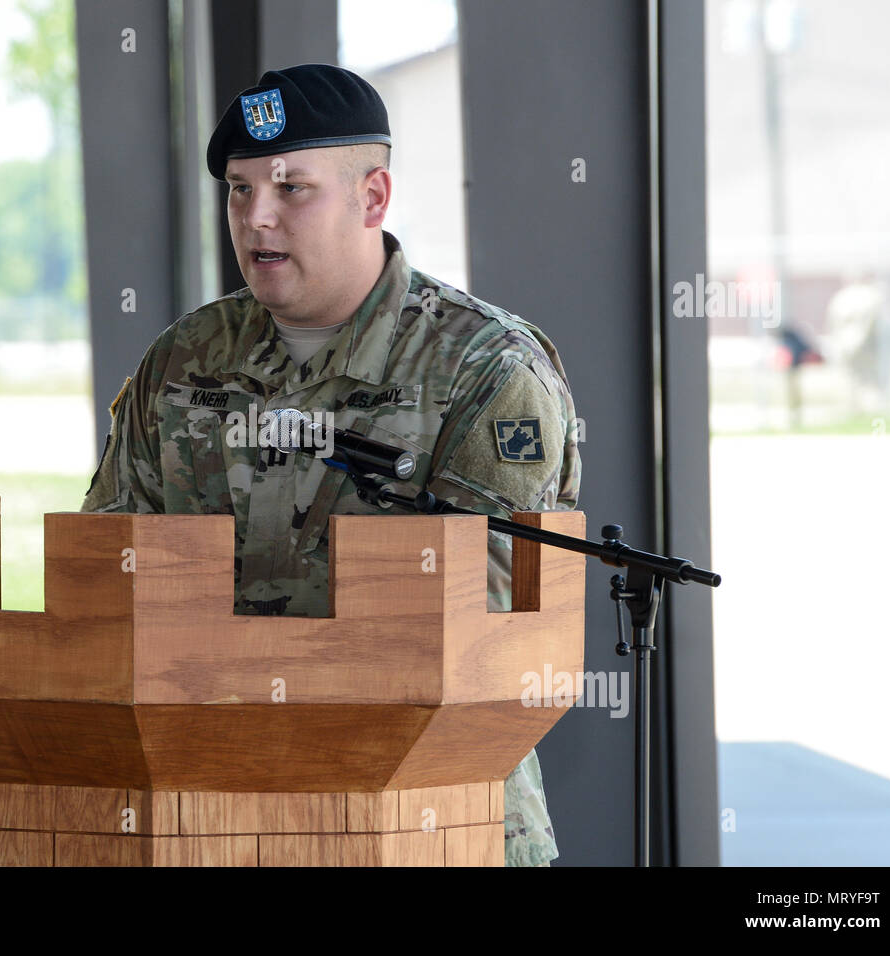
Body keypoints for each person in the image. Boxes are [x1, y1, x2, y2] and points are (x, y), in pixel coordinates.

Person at [82, 63, 581, 867]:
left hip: (424, 820)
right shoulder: (184, 359)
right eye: (240, 191)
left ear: (372, 197)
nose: (257, 218)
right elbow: (108, 572)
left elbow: (477, 633)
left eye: (291, 189)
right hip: (210, 817)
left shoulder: (483, 369)